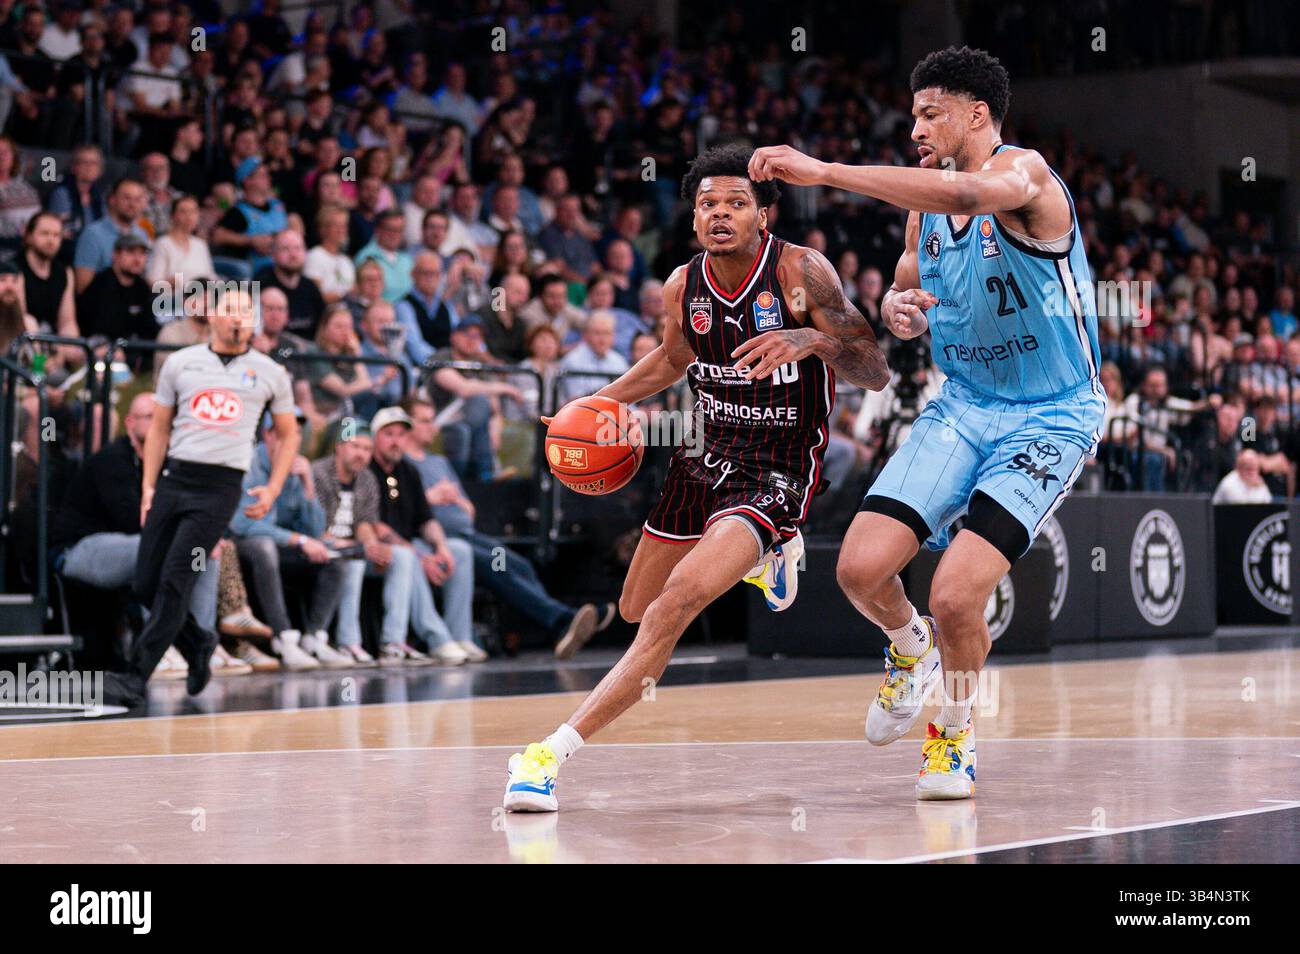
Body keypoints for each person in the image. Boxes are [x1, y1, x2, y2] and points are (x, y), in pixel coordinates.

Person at [748, 46, 1104, 800]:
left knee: (954, 594)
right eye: (912, 114)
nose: (915, 127)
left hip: (1051, 414)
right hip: (963, 404)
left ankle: (955, 735)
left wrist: (825, 172)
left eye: (930, 112)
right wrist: (896, 311)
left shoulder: (1024, 176)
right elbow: (910, 290)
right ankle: (910, 651)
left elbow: (970, 196)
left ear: (978, 114)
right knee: (857, 568)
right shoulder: (924, 211)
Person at [503, 144, 889, 811]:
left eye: (736, 202)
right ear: (692, 218)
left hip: (778, 465)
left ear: (762, 215)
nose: (719, 213)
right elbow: (673, 358)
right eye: (708, 203)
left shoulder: (802, 271)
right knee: (634, 609)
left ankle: (546, 756)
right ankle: (767, 556)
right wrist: (599, 405)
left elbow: (874, 367)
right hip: (704, 454)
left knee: (676, 604)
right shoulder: (684, 284)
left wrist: (813, 340)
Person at [103, 286, 299, 707]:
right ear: (211, 315)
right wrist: (149, 485)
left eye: (247, 312)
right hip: (176, 477)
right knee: (145, 582)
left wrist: (275, 486)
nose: (238, 319)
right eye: (230, 310)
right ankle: (198, 642)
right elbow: (158, 427)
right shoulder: (181, 362)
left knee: (176, 579)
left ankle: (136, 678)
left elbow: (289, 433)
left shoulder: (269, 373)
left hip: (221, 487)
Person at [402, 396, 609, 660]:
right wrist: (433, 496)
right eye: (425, 421)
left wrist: (456, 500)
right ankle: (562, 620)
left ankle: (560, 625)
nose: (432, 427)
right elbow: (407, 511)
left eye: (433, 420)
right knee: (498, 567)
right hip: (440, 539)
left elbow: (469, 508)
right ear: (408, 424)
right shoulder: (405, 465)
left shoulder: (438, 462)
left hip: (468, 532)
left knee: (520, 565)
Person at [50, 392, 221, 681]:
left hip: (132, 546)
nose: (159, 424)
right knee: (157, 550)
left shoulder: (170, 464)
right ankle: (159, 645)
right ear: (130, 423)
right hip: (80, 549)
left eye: (163, 418)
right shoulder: (111, 460)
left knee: (202, 556)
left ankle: (199, 647)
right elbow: (132, 519)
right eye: (150, 417)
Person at [229, 411, 353, 670]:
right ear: (268, 434)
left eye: (297, 434)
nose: (293, 440)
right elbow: (242, 524)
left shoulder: (295, 468)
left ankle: (314, 638)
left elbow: (315, 530)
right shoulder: (249, 463)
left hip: (281, 547)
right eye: (286, 433)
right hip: (240, 545)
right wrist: (297, 540)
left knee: (335, 556)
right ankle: (282, 638)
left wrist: (308, 485)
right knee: (264, 547)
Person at [368, 407, 475, 666]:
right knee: (409, 556)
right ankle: (437, 639)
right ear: (375, 438)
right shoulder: (368, 470)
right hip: (378, 546)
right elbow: (376, 526)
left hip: (412, 541)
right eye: (389, 434)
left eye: (402, 434)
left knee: (460, 549)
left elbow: (426, 519)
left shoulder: (409, 471)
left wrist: (440, 547)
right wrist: (422, 555)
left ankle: (460, 636)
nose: (396, 441)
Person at [253, 228, 326, 338]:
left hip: (309, 351)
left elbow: (323, 325)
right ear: (273, 254)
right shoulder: (260, 282)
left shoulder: (311, 287)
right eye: (285, 249)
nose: (293, 255)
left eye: (298, 248)